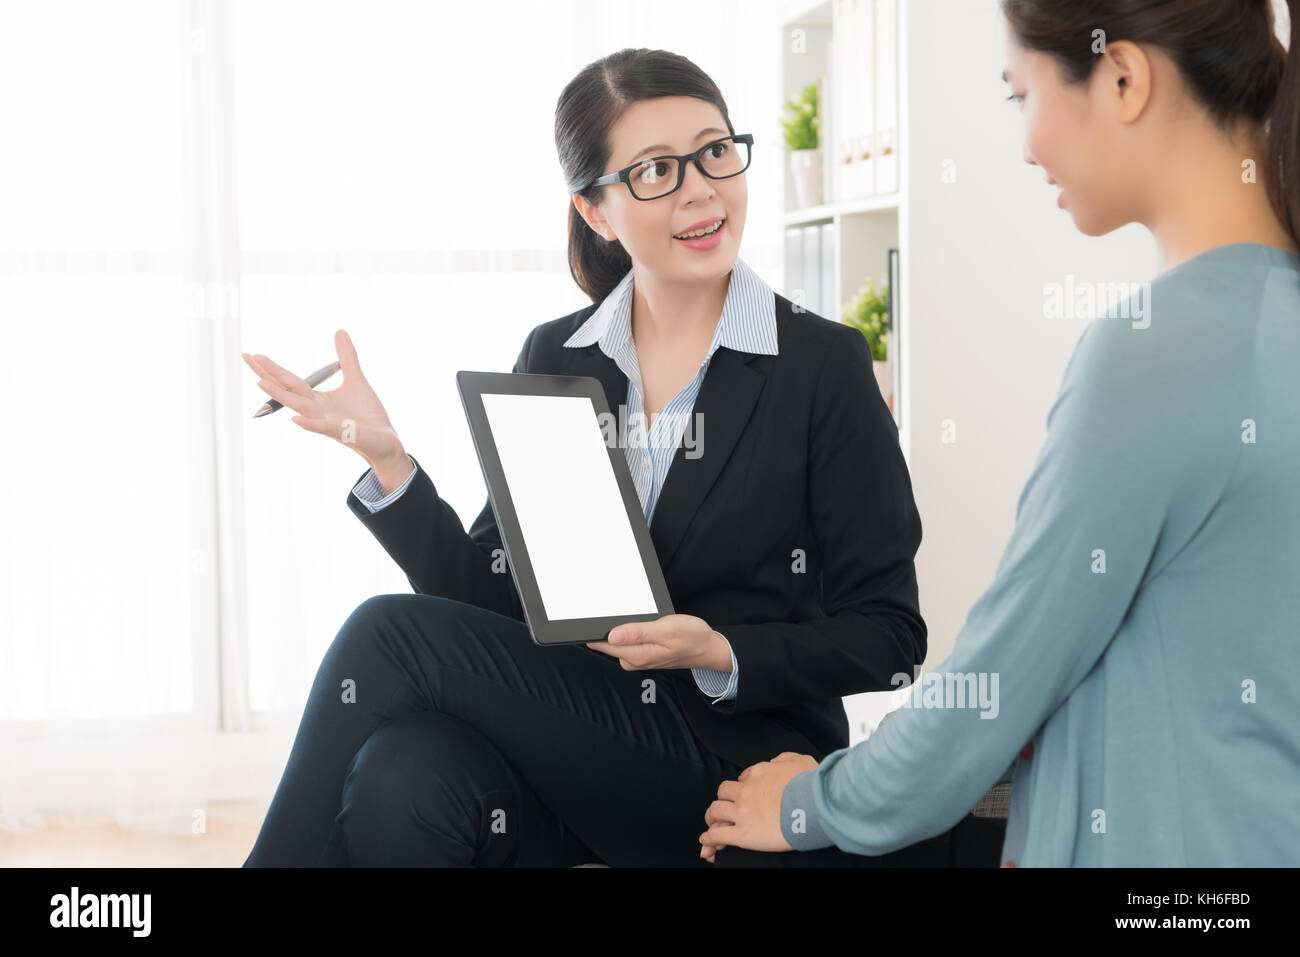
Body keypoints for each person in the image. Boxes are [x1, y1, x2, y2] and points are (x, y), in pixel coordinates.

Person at [240, 47, 993, 867]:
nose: (701, 188)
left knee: (384, 632)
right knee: (403, 776)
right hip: (578, 741)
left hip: (730, 763)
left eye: (714, 153)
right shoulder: (559, 354)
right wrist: (390, 465)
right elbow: (492, 596)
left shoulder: (821, 366)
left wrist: (718, 649)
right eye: (655, 172)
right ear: (595, 211)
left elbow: (889, 636)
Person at [703, 0, 1300, 867]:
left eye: (1021, 94)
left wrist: (806, 803)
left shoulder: (1156, 352)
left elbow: (998, 677)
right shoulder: (1264, 320)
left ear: (1124, 79)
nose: (1027, 144)